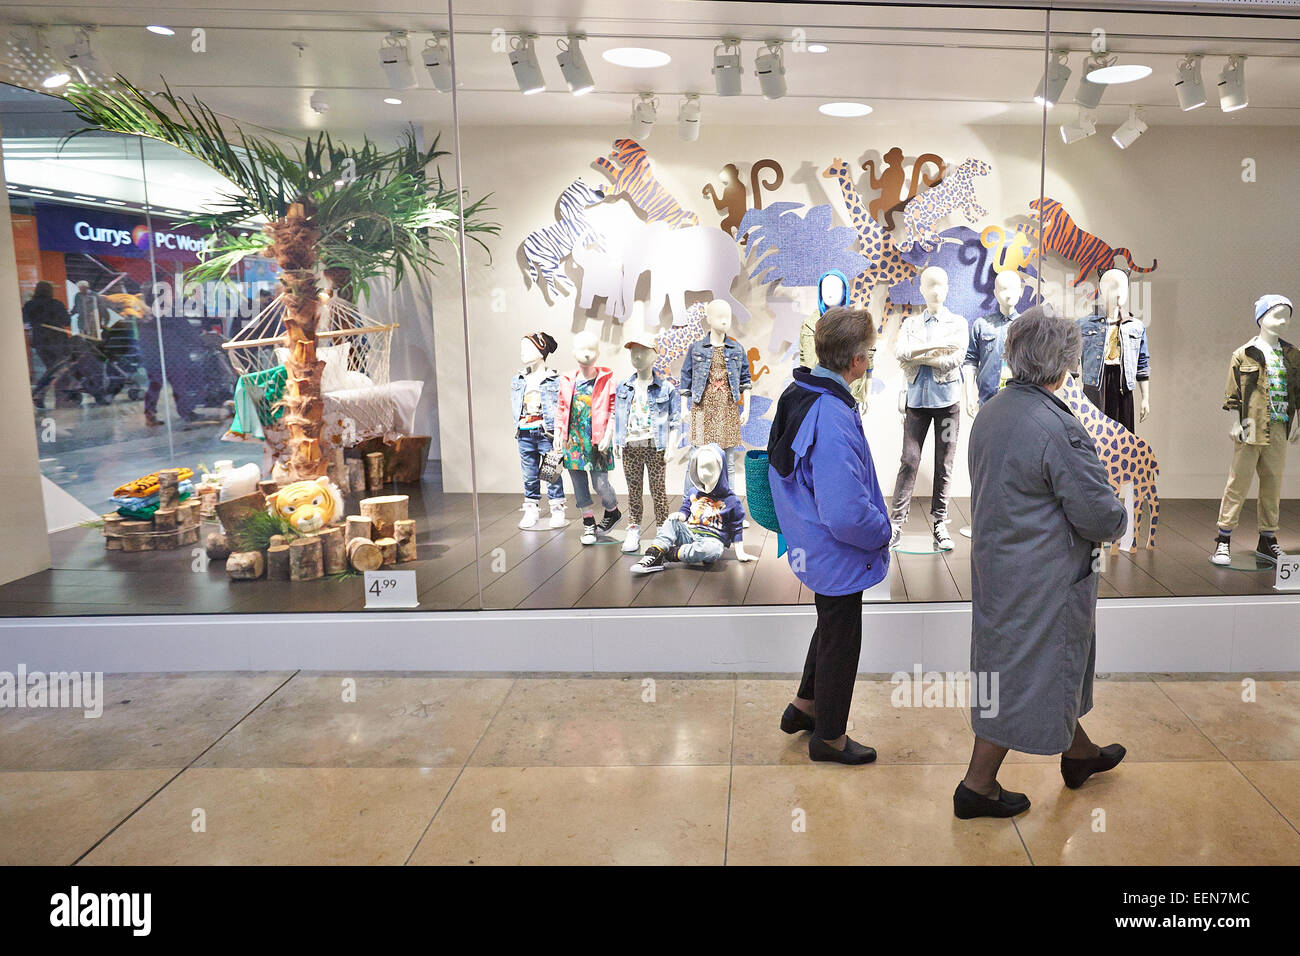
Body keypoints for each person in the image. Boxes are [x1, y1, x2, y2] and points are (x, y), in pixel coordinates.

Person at [957, 304, 1129, 820]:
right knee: (1028, 671)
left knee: (1032, 666)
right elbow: (1099, 517)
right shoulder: (1058, 427)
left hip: (1000, 566)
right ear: (1066, 362)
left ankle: (1079, 754)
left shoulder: (993, 410)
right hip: (1043, 578)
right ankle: (977, 785)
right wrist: (1120, 511)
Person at [767, 307, 892, 765]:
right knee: (842, 636)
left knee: (829, 623)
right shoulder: (833, 413)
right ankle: (830, 737)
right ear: (857, 361)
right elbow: (844, 513)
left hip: (810, 541)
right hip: (837, 547)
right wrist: (884, 532)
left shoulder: (798, 390)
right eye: (871, 353)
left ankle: (805, 705)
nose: (871, 361)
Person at [25, 281, 72, 409]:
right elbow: (66, 321)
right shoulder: (56, 304)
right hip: (58, 341)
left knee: (52, 369)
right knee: (57, 369)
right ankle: (44, 395)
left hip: (40, 341)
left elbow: (25, 320)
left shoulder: (30, 305)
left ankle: (41, 394)